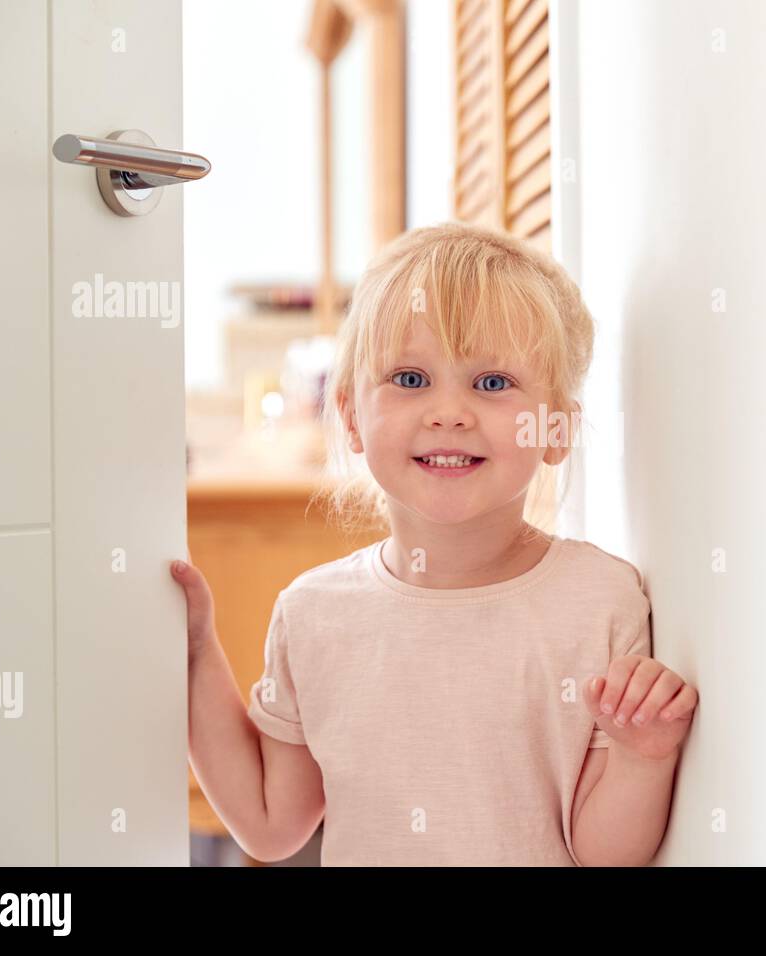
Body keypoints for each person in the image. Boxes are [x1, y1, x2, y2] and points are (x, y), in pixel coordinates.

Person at [172, 221, 698, 865]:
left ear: (557, 428)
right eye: (412, 380)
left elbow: (603, 852)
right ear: (352, 418)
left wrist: (645, 757)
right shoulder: (313, 612)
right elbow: (268, 822)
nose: (449, 412)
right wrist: (194, 653)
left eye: (493, 383)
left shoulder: (600, 600)